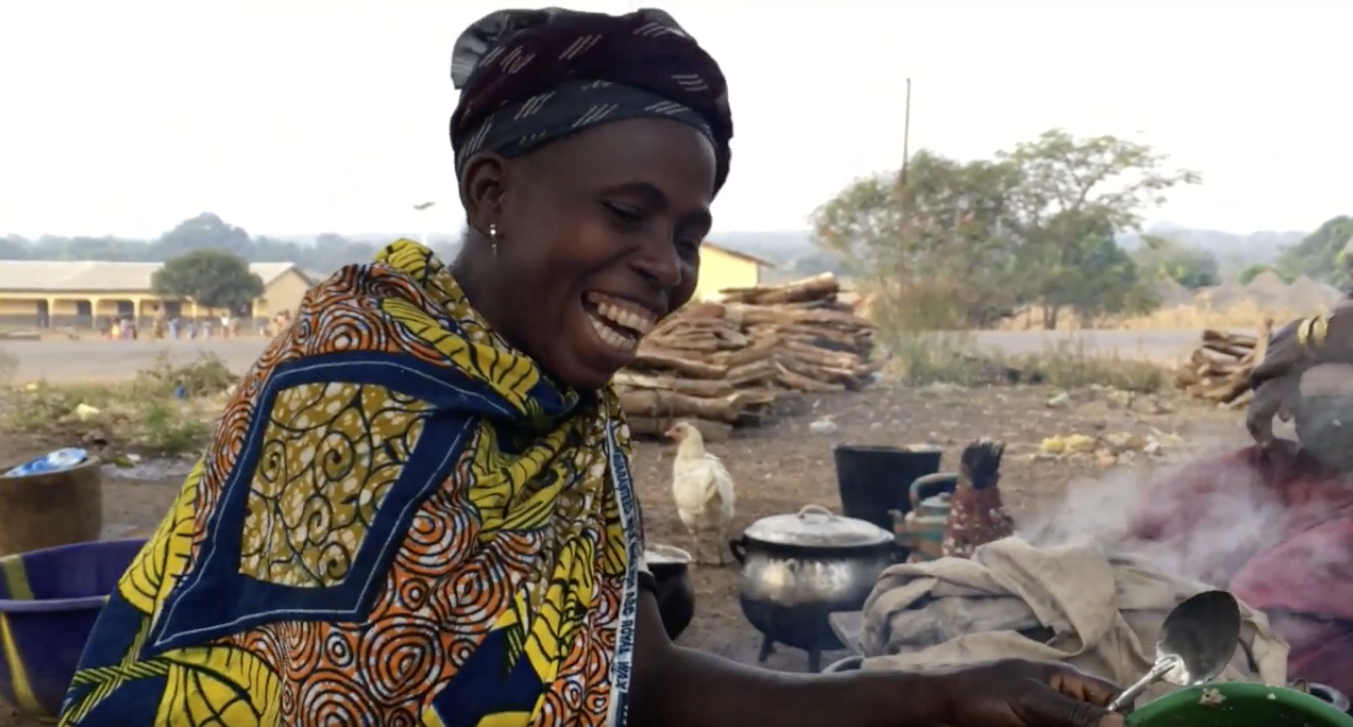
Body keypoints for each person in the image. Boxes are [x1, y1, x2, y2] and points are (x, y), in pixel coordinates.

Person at [57, 9, 1123, 727]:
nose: (667, 267)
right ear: (492, 196)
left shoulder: (556, 415)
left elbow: (641, 678)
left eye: (689, 230)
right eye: (628, 212)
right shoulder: (355, 399)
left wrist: (935, 696)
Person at [1128, 306, 1353, 695]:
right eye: (1317, 401)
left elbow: (1264, 597)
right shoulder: (1267, 473)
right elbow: (1137, 528)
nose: (1331, 420)